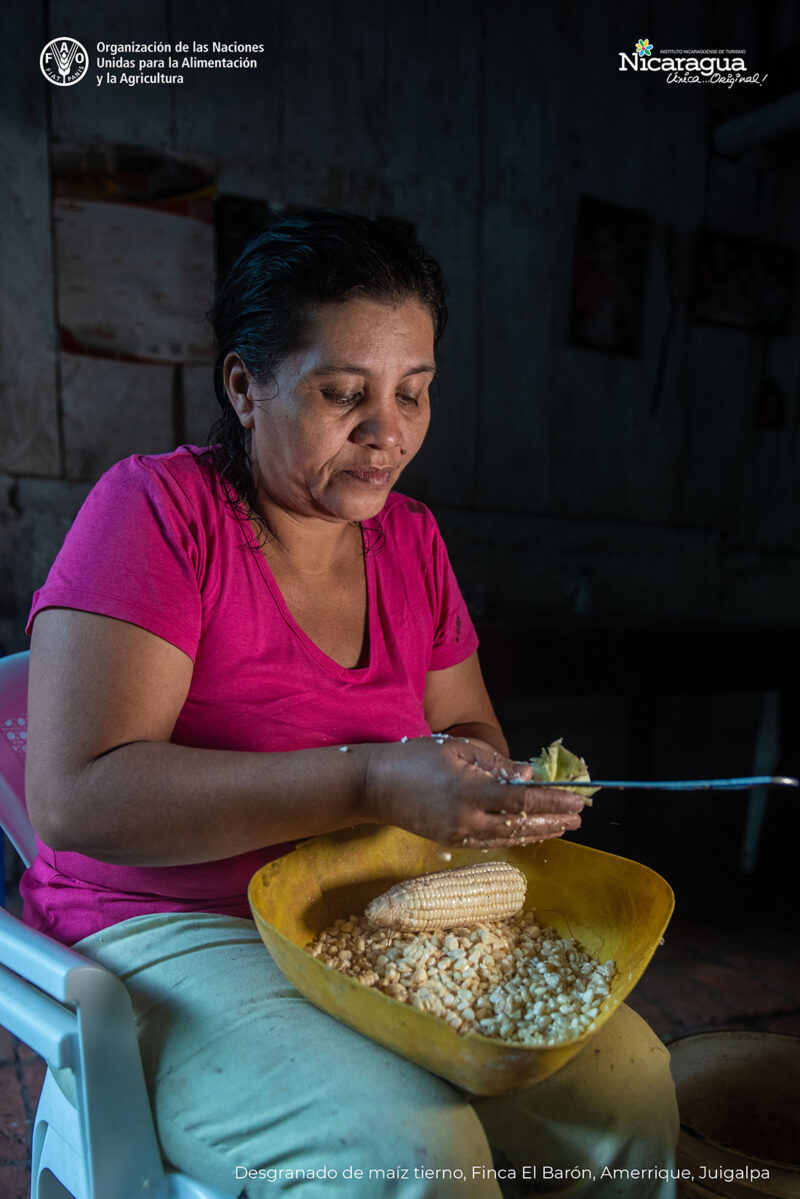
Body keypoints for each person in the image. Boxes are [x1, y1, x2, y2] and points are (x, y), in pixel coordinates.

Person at [22, 210, 678, 1197]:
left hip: (363, 909)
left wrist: (493, 787)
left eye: (414, 393)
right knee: (417, 1157)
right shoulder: (157, 511)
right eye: (344, 393)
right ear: (245, 386)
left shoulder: (410, 539)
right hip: (168, 927)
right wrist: (371, 777)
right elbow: (78, 797)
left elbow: (467, 729)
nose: (389, 433)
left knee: (624, 1103)